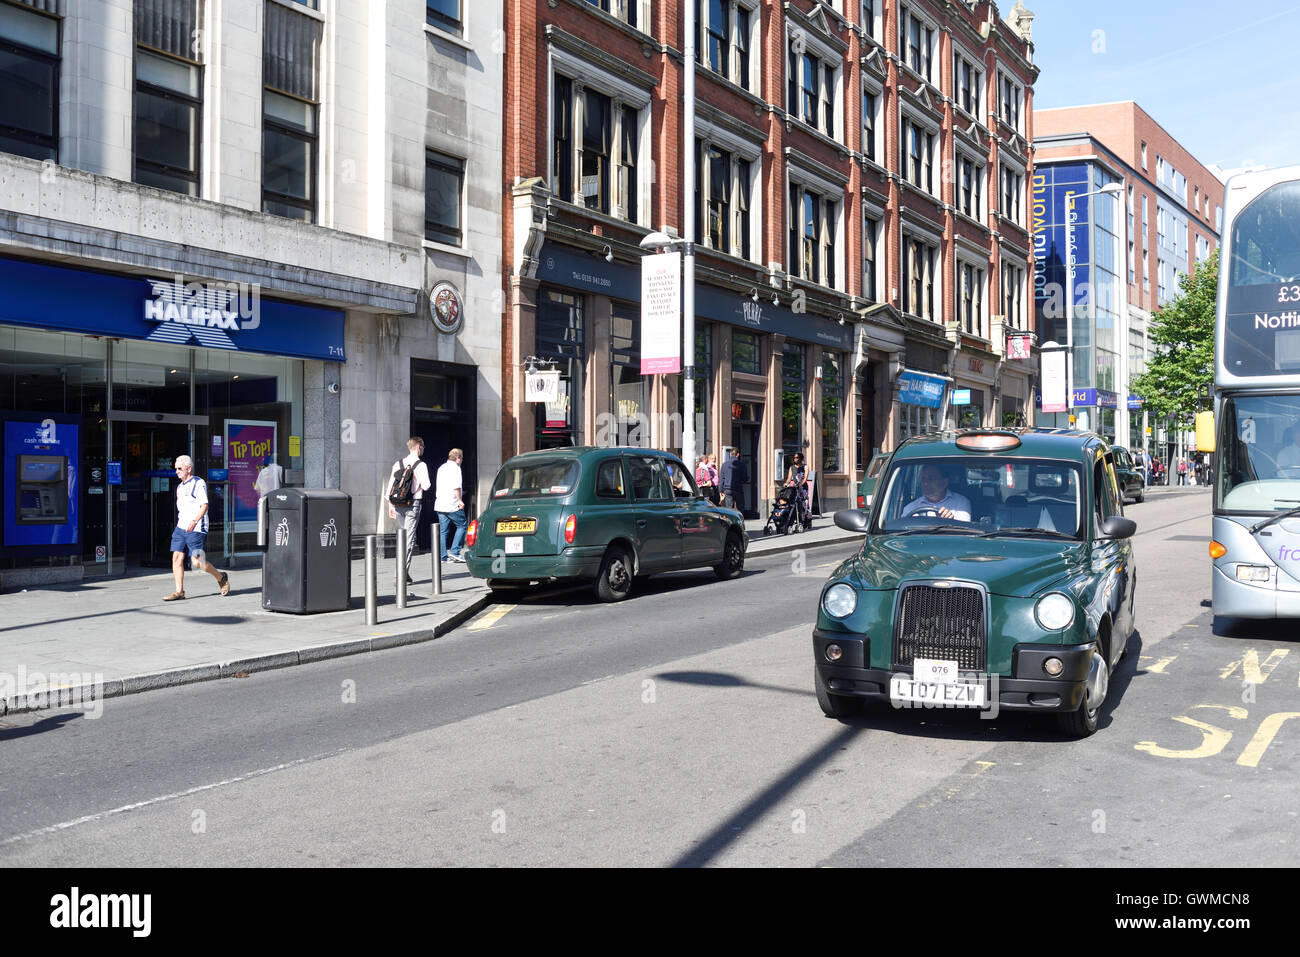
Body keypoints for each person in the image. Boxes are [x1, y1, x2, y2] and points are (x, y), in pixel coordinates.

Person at [163, 454, 229, 601]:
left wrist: (194, 521)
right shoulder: (179, 487)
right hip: (181, 528)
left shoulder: (198, 483)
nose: (177, 471)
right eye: (176, 469)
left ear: (189, 468)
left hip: (197, 528)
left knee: (197, 561)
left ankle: (221, 577)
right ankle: (179, 591)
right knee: (176, 557)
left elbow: (204, 505)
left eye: (180, 468)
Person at [386, 437, 432, 585]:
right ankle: (399, 575)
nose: (423, 448)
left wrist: (390, 507)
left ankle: (404, 574)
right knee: (409, 540)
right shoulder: (421, 464)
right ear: (418, 446)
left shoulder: (398, 463)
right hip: (413, 504)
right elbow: (426, 486)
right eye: (423, 446)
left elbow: (389, 489)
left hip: (398, 504)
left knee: (403, 538)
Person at [901, 464, 972, 521]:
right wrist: (912, 524)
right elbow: (900, 534)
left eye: (931, 479)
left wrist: (950, 521)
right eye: (923, 479)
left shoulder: (960, 503)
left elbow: (964, 534)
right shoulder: (910, 508)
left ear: (944, 482)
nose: (925, 483)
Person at [435, 448, 468, 562]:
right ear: (458, 458)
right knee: (462, 525)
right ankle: (455, 551)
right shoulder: (456, 468)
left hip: (440, 503)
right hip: (452, 503)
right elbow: (456, 487)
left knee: (443, 531)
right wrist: (460, 500)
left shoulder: (442, 467)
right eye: (462, 458)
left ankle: (443, 556)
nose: (462, 460)